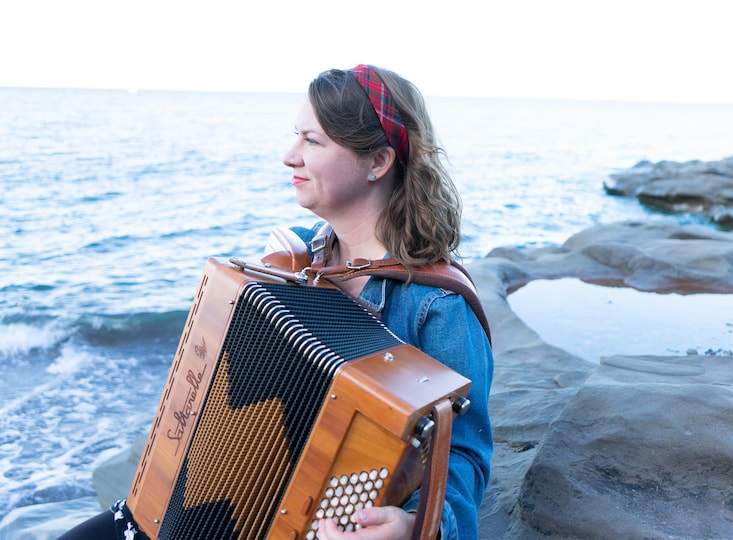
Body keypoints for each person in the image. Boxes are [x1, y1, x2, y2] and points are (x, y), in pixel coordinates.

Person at [59, 65, 493, 540]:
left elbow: (465, 456)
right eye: (296, 137)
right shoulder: (294, 258)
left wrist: (416, 527)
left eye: (313, 141)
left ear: (378, 162)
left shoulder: (438, 306)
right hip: (210, 509)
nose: (290, 157)